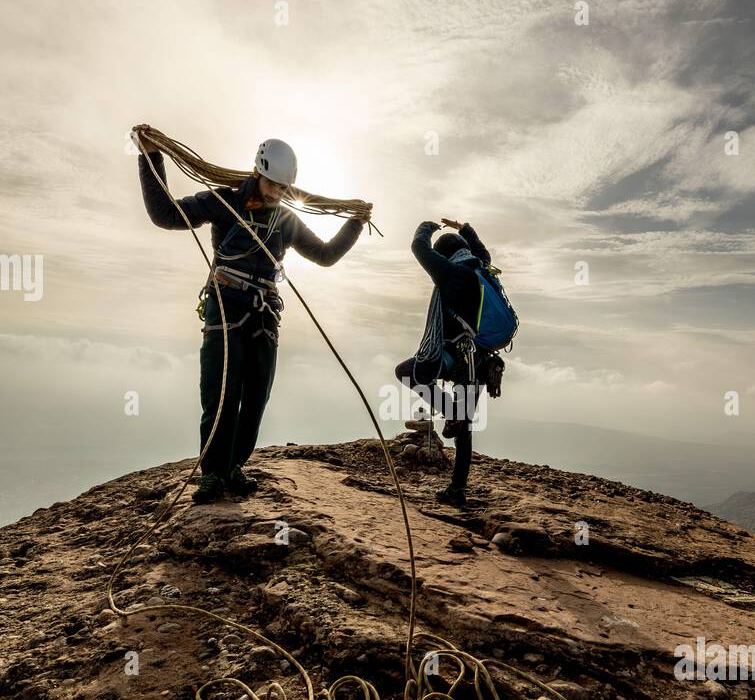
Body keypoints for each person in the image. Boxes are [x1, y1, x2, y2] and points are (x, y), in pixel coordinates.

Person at [135, 126, 370, 503]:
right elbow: (166, 214)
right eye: (273, 185)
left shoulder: (286, 220)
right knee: (221, 393)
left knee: (255, 395)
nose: (278, 193)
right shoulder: (223, 202)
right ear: (257, 173)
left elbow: (325, 255)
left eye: (283, 188)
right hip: (226, 306)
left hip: (263, 314)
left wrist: (354, 223)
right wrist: (151, 157)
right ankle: (212, 473)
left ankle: (233, 467)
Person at [395, 218, 493, 509]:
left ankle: (452, 412)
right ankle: (457, 489)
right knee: (464, 426)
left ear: (445, 255)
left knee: (405, 372)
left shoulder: (451, 273)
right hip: (480, 359)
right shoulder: (481, 269)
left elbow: (418, 247)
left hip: (455, 357)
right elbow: (482, 250)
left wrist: (426, 226)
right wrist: (465, 229)